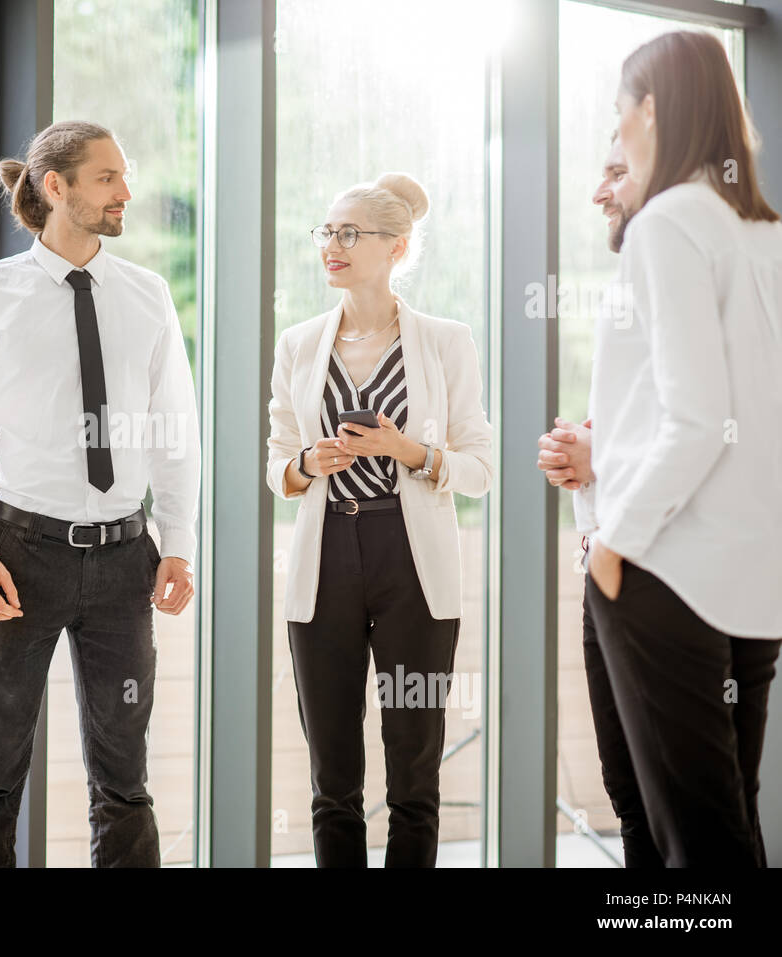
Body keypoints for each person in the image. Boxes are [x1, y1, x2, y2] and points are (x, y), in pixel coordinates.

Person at [0, 120, 201, 867]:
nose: (127, 192)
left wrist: (176, 543)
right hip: (20, 554)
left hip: (125, 561)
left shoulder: (147, 294)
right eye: (109, 177)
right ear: (57, 186)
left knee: (124, 778)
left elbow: (176, 429)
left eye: (125, 175)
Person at [585, 30, 782, 867]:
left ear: (652, 110)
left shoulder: (669, 222)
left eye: (620, 113)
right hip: (755, 578)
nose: (619, 132)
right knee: (728, 823)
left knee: (694, 850)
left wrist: (613, 540)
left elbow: (696, 419)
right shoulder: (765, 233)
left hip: (668, 568)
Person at [266, 173, 493, 867]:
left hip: (412, 563)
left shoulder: (447, 341)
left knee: (413, 775)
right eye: (326, 231)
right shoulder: (300, 344)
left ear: (396, 248)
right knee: (332, 778)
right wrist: (309, 461)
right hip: (326, 555)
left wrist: (408, 450)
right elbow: (277, 465)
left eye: (348, 233)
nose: (330, 245)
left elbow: (480, 468)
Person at [536, 135, 662, 867]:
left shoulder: (700, 276)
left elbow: (716, 434)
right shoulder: (631, 284)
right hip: (608, 567)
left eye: (615, 172)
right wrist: (584, 456)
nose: (597, 193)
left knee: (679, 805)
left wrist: (598, 456)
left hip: (661, 581)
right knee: (631, 795)